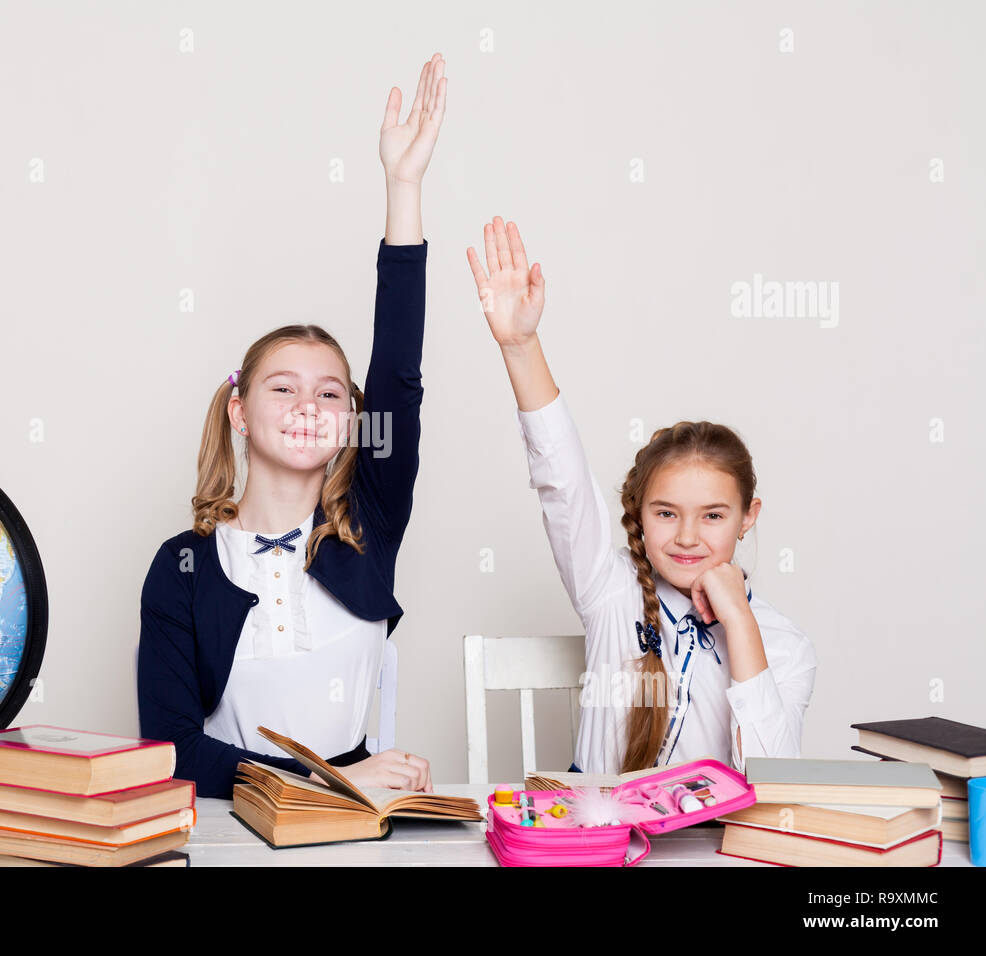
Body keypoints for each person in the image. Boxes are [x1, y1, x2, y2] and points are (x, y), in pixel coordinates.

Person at [138, 54, 448, 799]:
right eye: (283, 387)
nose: (310, 405)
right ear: (239, 411)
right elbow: (172, 753)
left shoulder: (368, 529)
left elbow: (399, 373)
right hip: (229, 829)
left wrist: (402, 187)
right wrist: (334, 783)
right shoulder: (181, 566)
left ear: (352, 424)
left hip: (361, 824)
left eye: (331, 394)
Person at [465, 216, 816, 775]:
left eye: (713, 515)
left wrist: (738, 621)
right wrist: (521, 346)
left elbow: (772, 786)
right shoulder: (610, 590)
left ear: (748, 517)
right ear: (640, 514)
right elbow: (562, 481)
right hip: (601, 845)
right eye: (666, 512)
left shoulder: (786, 644)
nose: (686, 536)